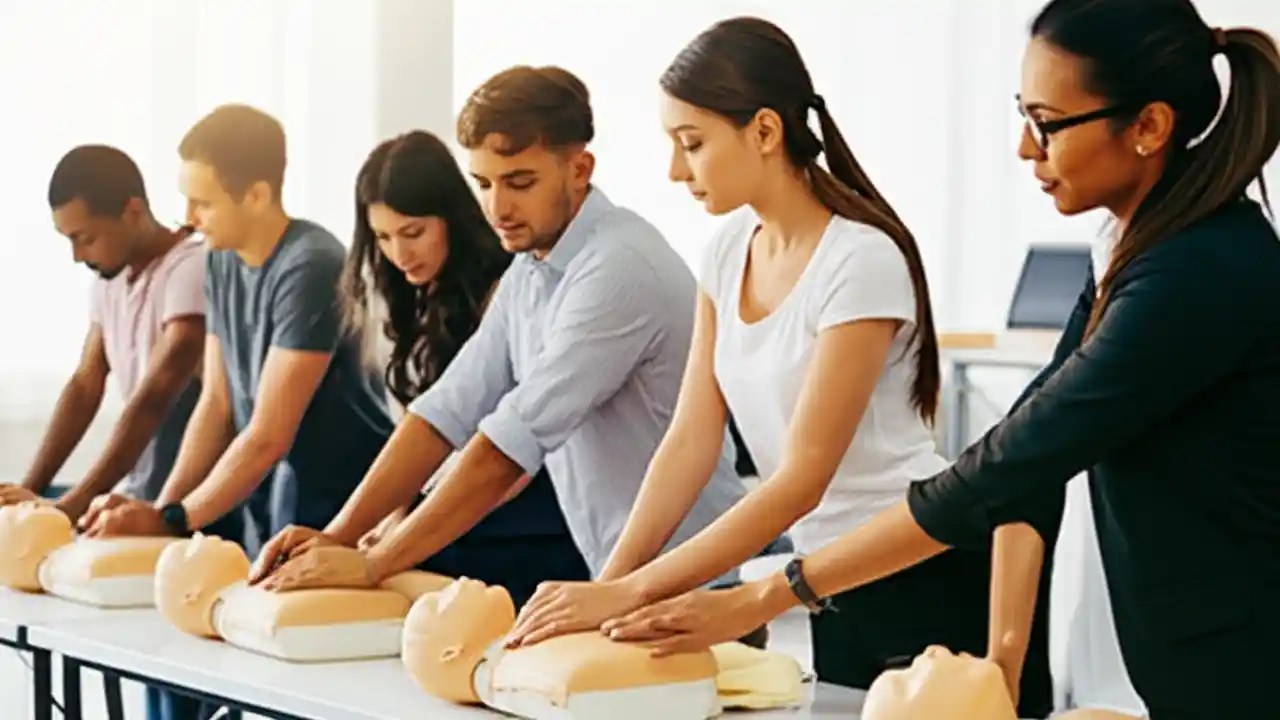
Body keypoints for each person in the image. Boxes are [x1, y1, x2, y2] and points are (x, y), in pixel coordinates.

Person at [597, 2, 1280, 718]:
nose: (1024, 146)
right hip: (1184, 656)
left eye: (1046, 122)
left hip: (1240, 663)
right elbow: (1028, 457)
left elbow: (1009, 464)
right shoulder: (1132, 250)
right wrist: (1004, 667)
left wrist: (769, 591)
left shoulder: (1198, 272)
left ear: (1147, 127)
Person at [503, 17, 1056, 717]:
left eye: (692, 144)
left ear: (764, 130)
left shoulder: (860, 260)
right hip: (830, 582)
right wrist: (610, 583)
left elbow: (801, 479)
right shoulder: (726, 251)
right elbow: (690, 440)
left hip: (921, 566)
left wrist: (634, 592)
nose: (677, 171)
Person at [246, 66, 748, 611]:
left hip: (694, 588)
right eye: (483, 183)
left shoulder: (618, 266)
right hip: (620, 580)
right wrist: (339, 535)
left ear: (580, 169)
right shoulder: (530, 270)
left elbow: (508, 445)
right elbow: (444, 412)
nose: (497, 208)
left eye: (520, 182)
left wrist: (375, 562)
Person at [81, 104, 394, 560]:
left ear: (257, 195)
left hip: (343, 509)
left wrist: (171, 519)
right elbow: (216, 404)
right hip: (267, 501)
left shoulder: (311, 265)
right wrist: (162, 511)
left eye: (204, 203)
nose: (187, 218)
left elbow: (269, 433)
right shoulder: (219, 257)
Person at [336, 129, 590, 605]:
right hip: (448, 520)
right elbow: (426, 432)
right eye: (384, 237)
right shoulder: (413, 296)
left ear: (451, 217)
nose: (399, 253)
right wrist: (392, 522)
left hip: (520, 527)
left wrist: (403, 533)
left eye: (413, 233)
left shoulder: (507, 287)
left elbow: (508, 453)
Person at [0, 146, 204, 523]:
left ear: (133, 213)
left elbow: (154, 397)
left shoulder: (192, 268)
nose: (78, 255)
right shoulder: (110, 277)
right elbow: (84, 385)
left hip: (191, 505)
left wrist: (71, 505)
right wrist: (30, 492)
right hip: (137, 492)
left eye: (86, 238)